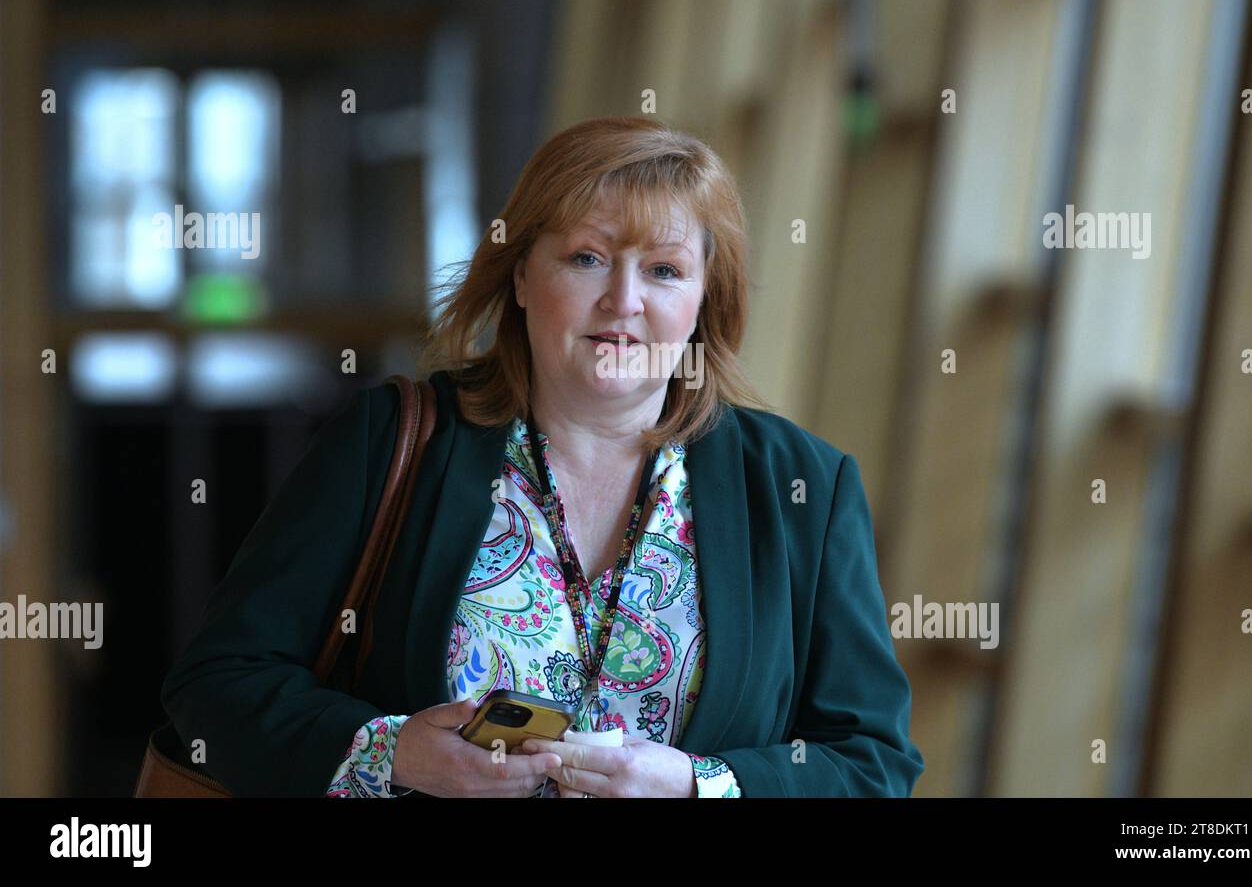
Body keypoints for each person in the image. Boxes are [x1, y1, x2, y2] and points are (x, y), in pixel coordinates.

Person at [161, 116, 925, 797]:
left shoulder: (802, 488)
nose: (623, 301)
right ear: (522, 274)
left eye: (663, 270)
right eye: (588, 258)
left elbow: (872, 763)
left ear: (702, 302)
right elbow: (217, 685)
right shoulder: (389, 441)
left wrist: (701, 787)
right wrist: (393, 752)